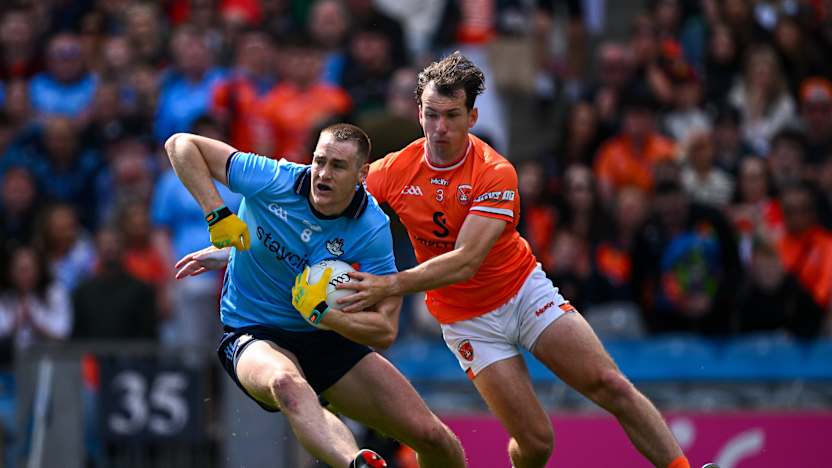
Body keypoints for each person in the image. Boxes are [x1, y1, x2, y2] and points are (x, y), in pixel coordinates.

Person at [338, 52, 690, 468]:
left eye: (452, 116)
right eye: (431, 115)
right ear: (418, 114)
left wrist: (389, 284)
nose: (440, 128)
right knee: (538, 443)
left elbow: (466, 260)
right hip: (468, 321)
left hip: (523, 293)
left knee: (610, 384)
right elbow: (324, 192)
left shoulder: (494, 172)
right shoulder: (393, 171)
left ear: (472, 117)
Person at [164, 124, 466, 468]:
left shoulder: (371, 228)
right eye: (319, 161)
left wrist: (326, 315)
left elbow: (385, 330)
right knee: (286, 383)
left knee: (433, 438)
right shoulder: (274, 178)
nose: (322, 174)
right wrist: (217, 213)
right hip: (254, 332)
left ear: (361, 173)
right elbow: (180, 143)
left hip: (326, 336)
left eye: (337, 166)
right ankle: (356, 464)